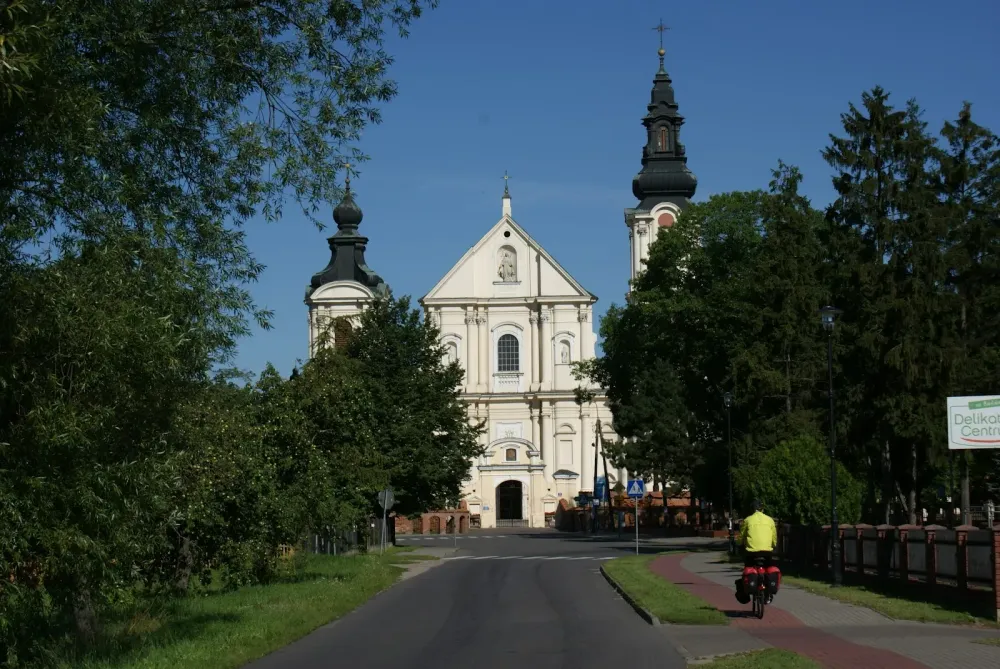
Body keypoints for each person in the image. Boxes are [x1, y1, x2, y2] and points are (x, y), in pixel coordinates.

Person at [741, 499, 778, 602]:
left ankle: (747, 591)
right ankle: (768, 593)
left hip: (752, 552)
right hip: (767, 551)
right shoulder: (770, 520)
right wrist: (774, 545)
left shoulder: (748, 520)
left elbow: (742, 535)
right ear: (762, 509)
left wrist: (740, 543)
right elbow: (774, 536)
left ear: (753, 509)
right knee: (768, 568)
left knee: (747, 568)